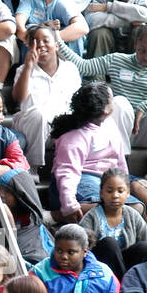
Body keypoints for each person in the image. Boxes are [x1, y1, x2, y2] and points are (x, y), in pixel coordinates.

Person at [78, 20, 147, 148]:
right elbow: (83, 66)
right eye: (142, 50)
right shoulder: (117, 60)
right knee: (119, 102)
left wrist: (143, 107)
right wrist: (56, 40)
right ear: (135, 44)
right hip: (121, 129)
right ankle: (121, 158)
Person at [48, 81, 129, 221]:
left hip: (106, 178)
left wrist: (125, 183)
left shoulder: (110, 126)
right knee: (110, 209)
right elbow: (67, 173)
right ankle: (57, 215)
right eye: (111, 99)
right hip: (80, 179)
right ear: (104, 109)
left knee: (135, 207)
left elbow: (120, 161)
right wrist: (70, 205)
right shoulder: (74, 137)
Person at [9, 23, 82, 169]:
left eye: (46, 41)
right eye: (36, 42)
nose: (41, 45)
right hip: (32, 125)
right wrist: (29, 67)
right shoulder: (23, 70)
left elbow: (77, 104)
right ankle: (32, 167)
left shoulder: (70, 69)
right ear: (30, 47)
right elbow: (18, 99)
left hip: (61, 128)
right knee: (39, 115)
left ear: (56, 46)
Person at [32, 223, 120, 293]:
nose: (64, 257)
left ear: (84, 252)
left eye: (71, 252)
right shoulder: (39, 273)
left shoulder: (105, 274)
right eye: (59, 251)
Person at [80, 168, 147, 280]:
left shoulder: (132, 215)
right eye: (109, 191)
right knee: (109, 244)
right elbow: (81, 246)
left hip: (128, 267)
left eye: (120, 191)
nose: (115, 196)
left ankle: (136, 284)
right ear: (101, 193)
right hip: (102, 269)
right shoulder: (92, 217)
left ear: (128, 193)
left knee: (144, 247)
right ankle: (121, 287)